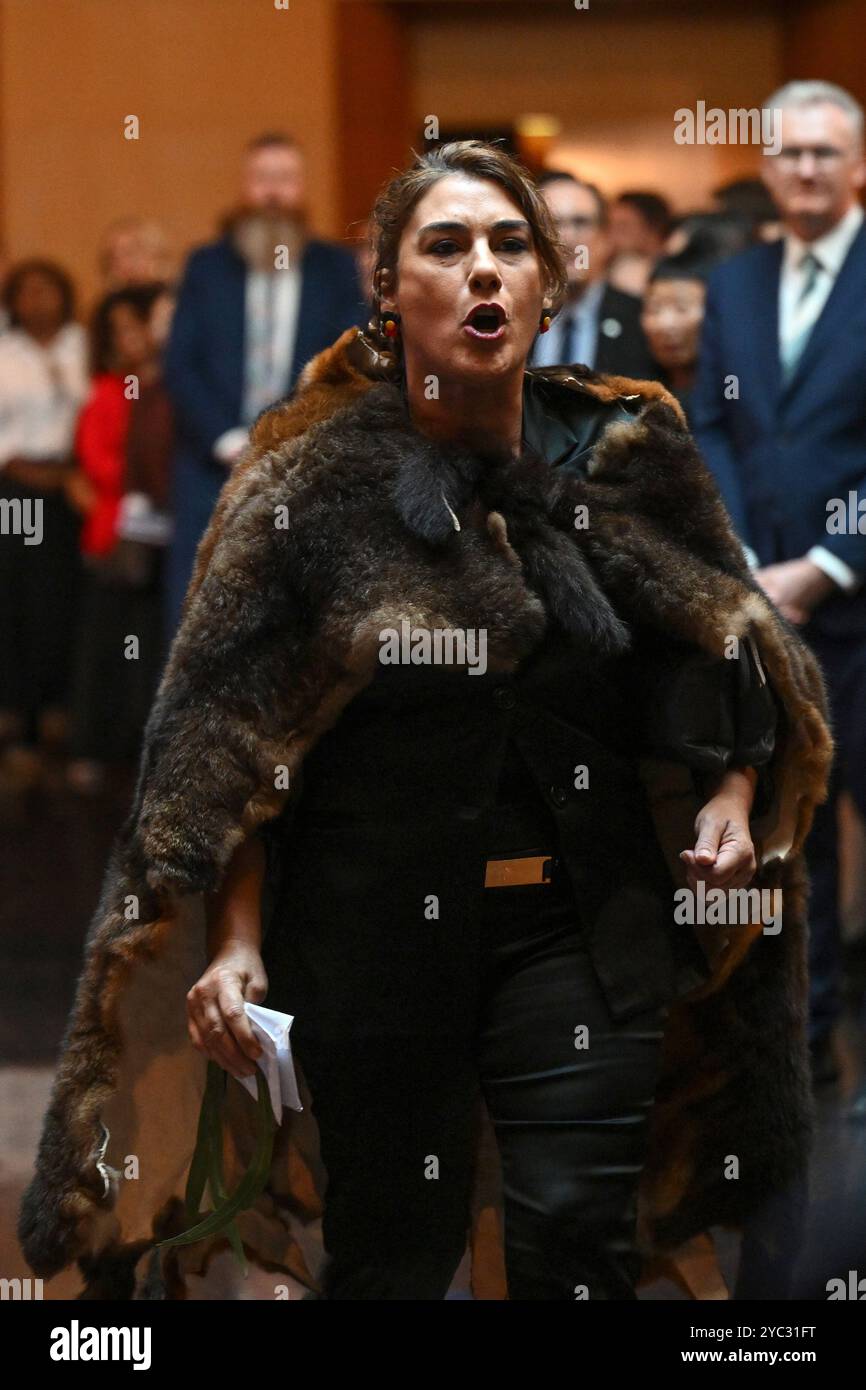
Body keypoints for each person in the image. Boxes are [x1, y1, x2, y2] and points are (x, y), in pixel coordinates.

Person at [20, 141, 831, 1302]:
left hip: (582, 928)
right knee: (392, 1254)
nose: (482, 271)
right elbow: (227, 743)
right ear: (388, 290)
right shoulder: (305, 481)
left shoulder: (623, 448)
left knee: (576, 1243)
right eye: (444, 247)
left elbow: (721, 651)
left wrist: (730, 795)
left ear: (549, 285)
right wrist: (236, 937)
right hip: (368, 936)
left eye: (510, 246)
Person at [691, 79, 866, 1086]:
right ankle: (802, 1049)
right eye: (787, 154)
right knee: (785, 841)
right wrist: (745, 556)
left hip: (854, 599)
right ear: (765, 169)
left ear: (854, 166)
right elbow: (712, 422)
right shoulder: (736, 282)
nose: (803, 169)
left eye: (822, 153)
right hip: (757, 606)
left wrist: (827, 564)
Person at [163, 131, 367, 634]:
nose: (273, 193)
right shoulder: (206, 267)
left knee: (297, 625)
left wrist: (289, 438)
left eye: (285, 179)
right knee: (198, 622)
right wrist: (225, 439)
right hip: (211, 471)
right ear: (243, 189)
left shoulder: (335, 269)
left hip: (305, 469)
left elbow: (349, 367)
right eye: (261, 179)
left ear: (302, 189)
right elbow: (179, 364)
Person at [66, 284, 173, 793]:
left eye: (139, 326)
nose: (132, 339)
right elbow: (97, 458)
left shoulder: (172, 386)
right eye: (121, 332)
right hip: (118, 536)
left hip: (165, 536)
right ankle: (92, 745)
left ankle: (145, 749)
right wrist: (143, 481)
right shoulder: (112, 390)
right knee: (108, 648)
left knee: (152, 646)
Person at [0, 260, 89, 784]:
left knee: (67, 597)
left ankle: (65, 709)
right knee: (20, 595)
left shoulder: (82, 344)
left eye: (46, 290)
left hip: (74, 489)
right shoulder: (5, 351)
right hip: (17, 488)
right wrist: (26, 471)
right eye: (25, 293)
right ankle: (23, 719)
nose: (37, 301)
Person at [529, 171, 657, 378]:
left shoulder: (639, 319)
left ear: (606, 237)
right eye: (552, 224)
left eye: (581, 223)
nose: (567, 239)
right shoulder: (516, 317)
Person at [641, 247, 718, 423]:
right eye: (654, 309)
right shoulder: (633, 393)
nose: (665, 324)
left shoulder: (732, 389)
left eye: (681, 308)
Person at [608, 190, 672, 294]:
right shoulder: (614, 267)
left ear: (654, 227)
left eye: (623, 226)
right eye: (610, 225)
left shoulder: (678, 272)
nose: (613, 234)